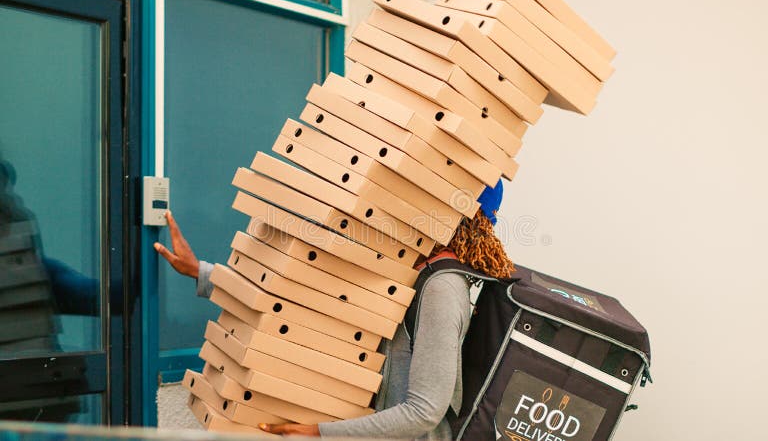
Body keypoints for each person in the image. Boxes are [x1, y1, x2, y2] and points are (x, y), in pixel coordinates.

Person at [154, 181, 515, 439]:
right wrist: (201, 273)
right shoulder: (407, 266)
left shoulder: (441, 287)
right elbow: (316, 306)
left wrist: (320, 433)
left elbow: (424, 412)